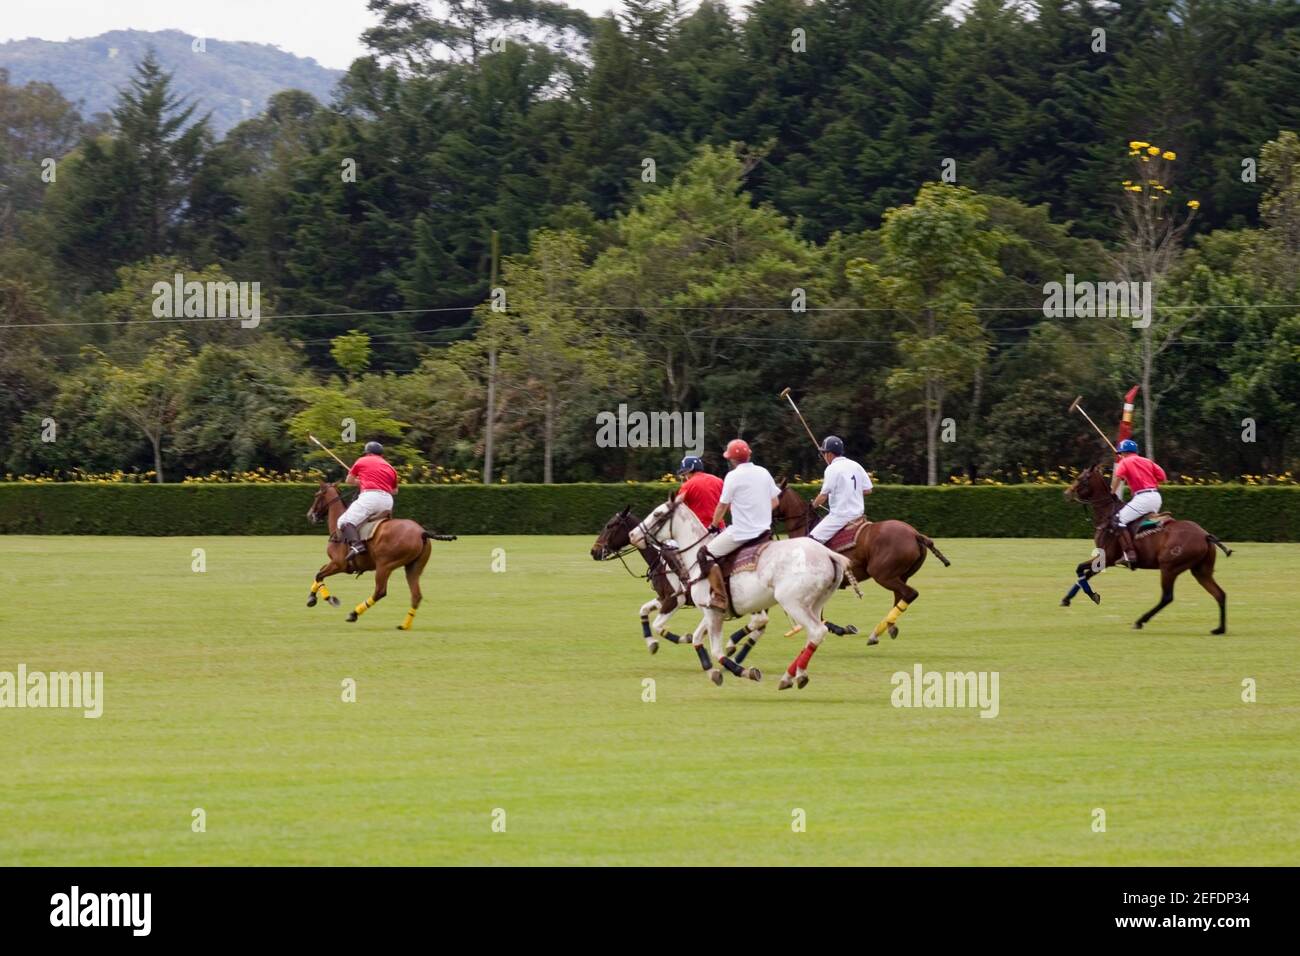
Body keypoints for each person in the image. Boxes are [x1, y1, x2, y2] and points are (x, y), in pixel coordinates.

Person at [697, 439, 780, 608]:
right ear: (749, 454)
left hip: (742, 533)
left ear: (731, 460)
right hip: (764, 531)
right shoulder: (763, 472)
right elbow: (775, 502)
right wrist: (760, 515)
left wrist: (714, 525)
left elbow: (722, 505)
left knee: (704, 554)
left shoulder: (733, 476)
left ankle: (720, 598)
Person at [338, 441, 398, 563]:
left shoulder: (362, 460)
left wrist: (361, 482)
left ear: (367, 453)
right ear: (381, 454)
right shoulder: (390, 467)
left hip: (370, 497)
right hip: (387, 501)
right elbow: (395, 491)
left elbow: (349, 480)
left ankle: (357, 545)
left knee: (344, 521)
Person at [1111, 438, 1166, 569]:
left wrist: (1111, 492)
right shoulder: (1148, 461)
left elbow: (1118, 478)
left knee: (1118, 520)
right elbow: (1163, 477)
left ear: (1123, 452)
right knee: (1137, 522)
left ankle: (1129, 554)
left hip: (1143, 498)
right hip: (1156, 497)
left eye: (1121, 453)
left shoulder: (1124, 462)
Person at [808, 435, 872, 545]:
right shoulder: (856, 465)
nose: (824, 456)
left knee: (811, 541)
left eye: (824, 453)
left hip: (840, 517)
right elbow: (868, 490)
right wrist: (849, 491)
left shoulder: (831, 468)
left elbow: (823, 496)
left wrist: (812, 506)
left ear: (829, 454)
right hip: (858, 515)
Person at [674, 455, 724, 531]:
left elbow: (676, 507)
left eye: (684, 474)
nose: (684, 476)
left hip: (699, 530)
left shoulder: (687, 485)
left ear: (689, 471)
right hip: (720, 528)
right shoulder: (718, 481)